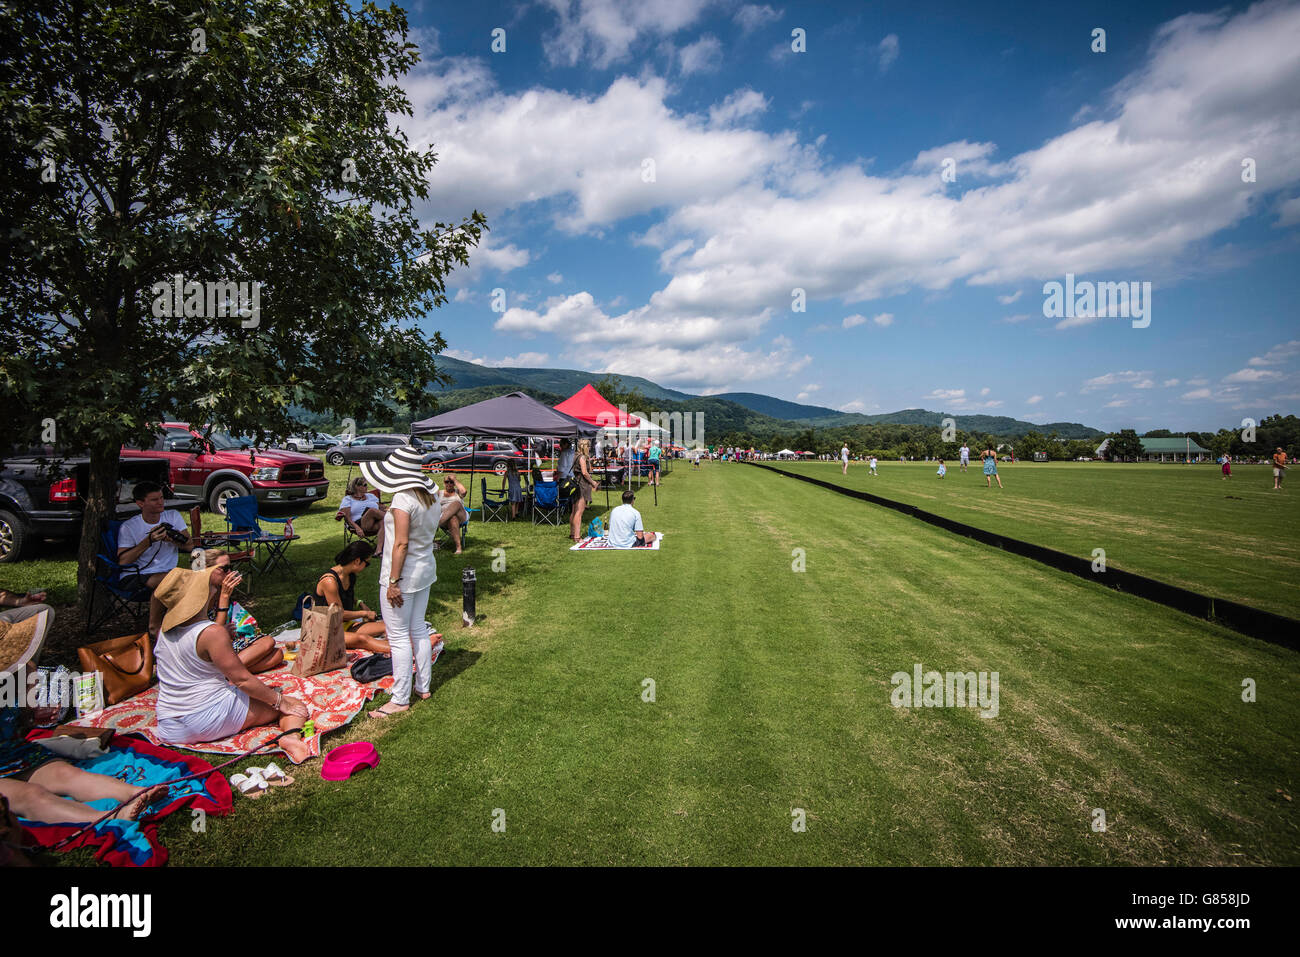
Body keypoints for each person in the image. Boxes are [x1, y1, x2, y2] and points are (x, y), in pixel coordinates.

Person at [150, 566, 311, 762]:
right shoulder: (211, 633)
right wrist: (280, 702)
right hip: (205, 717)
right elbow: (242, 679)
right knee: (294, 705)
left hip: (169, 725)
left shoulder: (164, 633)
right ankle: (290, 737)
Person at [362, 446, 442, 718]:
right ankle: (423, 686)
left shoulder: (402, 500)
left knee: (397, 637)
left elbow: (401, 543)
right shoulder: (430, 495)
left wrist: (393, 580)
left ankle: (400, 698)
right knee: (418, 628)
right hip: (424, 569)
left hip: (405, 573)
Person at [1, 707, 168, 825]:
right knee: (31, 795)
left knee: (66, 774)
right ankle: (109, 817)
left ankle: (137, 794)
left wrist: (32, 713)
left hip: (13, 753)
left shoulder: (20, 668)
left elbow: (21, 719)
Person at [199, 550, 282, 674]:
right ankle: (223, 673)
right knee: (268, 642)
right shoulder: (201, 595)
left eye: (230, 567)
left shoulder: (216, 589)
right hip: (207, 650)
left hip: (224, 644)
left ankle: (228, 673)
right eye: (225, 568)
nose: (229, 573)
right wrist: (224, 597)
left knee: (277, 654)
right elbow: (213, 636)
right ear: (206, 569)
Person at [117, 481, 196, 596]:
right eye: (154, 500)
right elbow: (123, 562)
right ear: (140, 503)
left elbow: (190, 546)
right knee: (176, 581)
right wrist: (149, 541)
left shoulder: (172, 516)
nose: (160, 502)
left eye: (161, 497)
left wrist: (173, 539)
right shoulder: (129, 527)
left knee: (199, 578)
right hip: (137, 575)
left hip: (167, 573)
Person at [335, 476, 387, 545]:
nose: (367, 487)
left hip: (375, 522)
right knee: (372, 510)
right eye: (365, 485)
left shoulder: (371, 496)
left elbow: (381, 507)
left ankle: (379, 550)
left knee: (384, 522)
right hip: (359, 524)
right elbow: (347, 517)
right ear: (357, 487)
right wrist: (357, 528)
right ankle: (395, 518)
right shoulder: (348, 499)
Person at [570, 438, 598, 542]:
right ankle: (577, 536)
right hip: (581, 485)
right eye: (589, 446)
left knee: (574, 511)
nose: (590, 448)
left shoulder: (575, 456)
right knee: (579, 511)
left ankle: (572, 533)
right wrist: (593, 482)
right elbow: (585, 472)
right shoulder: (582, 457)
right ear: (585, 447)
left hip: (575, 484)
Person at [437, 474, 469, 554]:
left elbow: (464, 491)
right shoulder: (439, 493)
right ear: (444, 483)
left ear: (454, 483)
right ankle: (458, 548)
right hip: (445, 518)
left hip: (461, 516)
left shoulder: (458, 492)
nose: (449, 484)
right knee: (453, 518)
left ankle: (436, 525)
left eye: (451, 482)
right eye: (447, 482)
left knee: (457, 503)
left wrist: (455, 480)